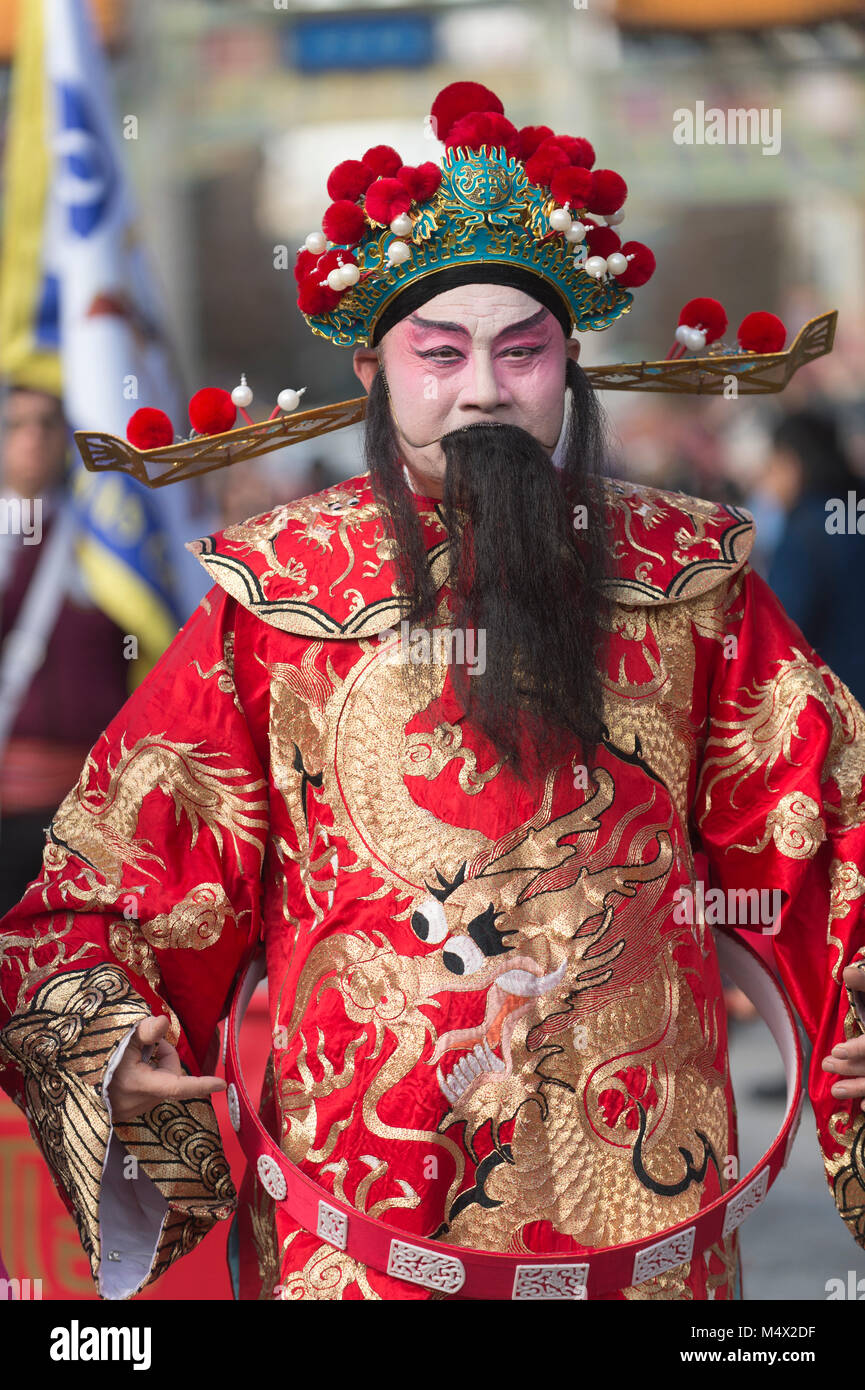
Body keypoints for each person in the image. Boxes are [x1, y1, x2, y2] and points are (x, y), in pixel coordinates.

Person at [1, 81, 865, 1304]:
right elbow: (104, 884)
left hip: (649, 1237)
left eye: (523, 351)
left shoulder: (691, 586)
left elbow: (834, 827)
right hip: (358, 1240)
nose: (482, 392)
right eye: (440, 353)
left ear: (570, 364)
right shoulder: (276, 601)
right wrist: (107, 1039)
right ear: (372, 367)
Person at [0, 385, 130, 916]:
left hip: (85, 811)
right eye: (16, 424)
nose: (33, 438)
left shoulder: (108, 543)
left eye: (47, 424)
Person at [761, 409, 865, 705]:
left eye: (771, 467)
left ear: (791, 464)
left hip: (843, 702)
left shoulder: (805, 532)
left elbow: (785, 628)